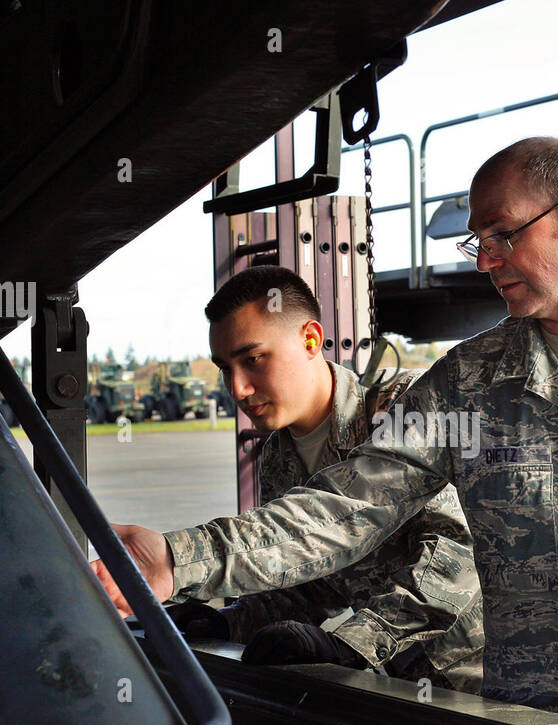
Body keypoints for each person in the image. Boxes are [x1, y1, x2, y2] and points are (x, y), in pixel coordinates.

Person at [93, 137, 558, 725]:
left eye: (502, 234)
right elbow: (346, 507)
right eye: (477, 242)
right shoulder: (466, 385)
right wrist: (180, 558)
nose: (486, 262)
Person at [135, 265, 484, 692]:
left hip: (482, 686)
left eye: (253, 359)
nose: (238, 389)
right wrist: (227, 623)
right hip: (397, 689)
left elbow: (457, 559)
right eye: (225, 368)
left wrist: (350, 645)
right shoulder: (278, 456)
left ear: (310, 340)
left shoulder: (400, 409)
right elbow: (309, 584)